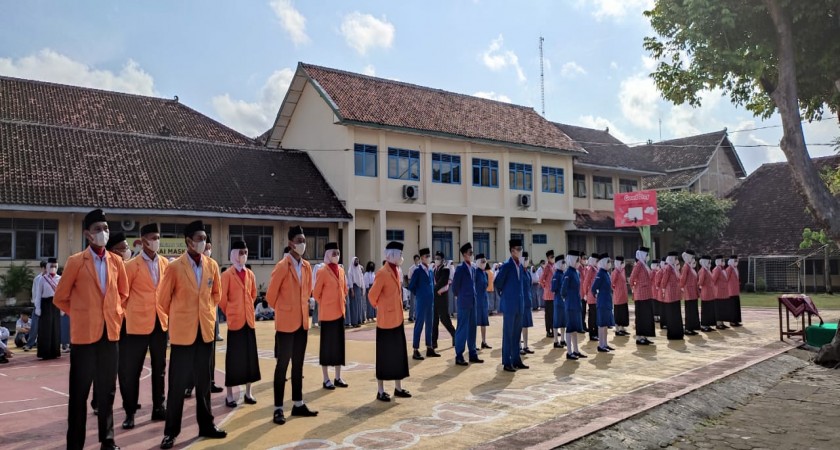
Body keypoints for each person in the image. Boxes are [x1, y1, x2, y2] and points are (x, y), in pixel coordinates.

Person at [54, 209, 128, 450]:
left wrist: (115, 313)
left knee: (107, 391)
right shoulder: (76, 261)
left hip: (110, 334)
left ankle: (108, 440)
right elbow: (60, 297)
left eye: (105, 229)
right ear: (87, 234)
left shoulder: (117, 262)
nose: (103, 233)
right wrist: (82, 314)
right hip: (84, 338)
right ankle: (75, 444)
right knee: (79, 394)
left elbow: (124, 293)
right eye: (97, 229)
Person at [157, 220, 227, 449]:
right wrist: (177, 321)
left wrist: (204, 314)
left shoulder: (212, 265)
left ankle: (206, 424)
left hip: (204, 332)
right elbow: (162, 300)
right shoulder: (175, 267)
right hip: (182, 335)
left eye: (205, 238)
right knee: (177, 386)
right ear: (188, 241)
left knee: (204, 383)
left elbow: (216, 295)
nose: (203, 242)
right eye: (199, 238)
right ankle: (171, 432)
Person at [119, 223, 169, 430]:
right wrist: (131, 314)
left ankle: (159, 407)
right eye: (152, 237)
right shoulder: (131, 265)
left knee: (159, 369)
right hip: (137, 325)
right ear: (142, 240)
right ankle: (130, 412)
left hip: (160, 323)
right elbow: (122, 296)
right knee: (133, 370)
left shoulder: (166, 263)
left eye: (158, 236)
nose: (156, 240)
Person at [267, 226, 318, 426]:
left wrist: (308, 303)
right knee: (282, 366)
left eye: (304, 240)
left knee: (298, 365)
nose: (302, 244)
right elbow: (271, 297)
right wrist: (286, 308)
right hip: (286, 324)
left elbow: (307, 291)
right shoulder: (282, 266)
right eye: (299, 240)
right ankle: (278, 408)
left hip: (302, 323)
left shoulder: (306, 266)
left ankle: (298, 403)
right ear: (290, 243)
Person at [367, 241, 412, 402]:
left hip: (398, 318)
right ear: (392, 254)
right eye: (399, 254)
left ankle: (398, 387)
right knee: (384, 356)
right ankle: (380, 390)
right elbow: (372, 296)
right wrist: (383, 307)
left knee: (398, 355)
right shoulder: (383, 272)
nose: (401, 257)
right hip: (386, 321)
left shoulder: (397, 270)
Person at [220, 240, 261, 407]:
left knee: (250, 358)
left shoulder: (250, 274)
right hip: (235, 321)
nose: (244, 255)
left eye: (245, 252)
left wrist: (246, 308)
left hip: (248, 321)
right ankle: (229, 394)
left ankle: (248, 392)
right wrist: (232, 311)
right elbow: (222, 300)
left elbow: (253, 294)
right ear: (235, 254)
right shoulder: (227, 275)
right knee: (234, 359)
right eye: (241, 252)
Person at [313, 242, 349, 390]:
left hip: (340, 312)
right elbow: (316, 293)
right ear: (327, 254)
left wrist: (341, 299)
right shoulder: (322, 271)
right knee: (327, 347)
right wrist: (326, 302)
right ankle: (326, 378)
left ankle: (338, 377)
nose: (336, 255)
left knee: (339, 346)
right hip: (327, 315)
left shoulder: (341, 271)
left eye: (338, 252)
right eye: (333, 253)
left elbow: (345, 289)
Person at [495, 239, 528, 372]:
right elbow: (498, 283)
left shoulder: (519, 265)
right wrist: (506, 295)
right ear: (512, 250)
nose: (520, 251)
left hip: (519, 304)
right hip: (510, 305)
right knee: (508, 334)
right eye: (518, 249)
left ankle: (516, 359)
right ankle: (507, 361)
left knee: (516, 334)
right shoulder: (507, 265)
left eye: (521, 249)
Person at [452, 243, 482, 366]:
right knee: (462, 328)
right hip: (464, 301)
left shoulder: (473, 268)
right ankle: (459, 355)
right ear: (464, 254)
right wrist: (461, 296)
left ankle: (473, 353)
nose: (472, 255)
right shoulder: (460, 268)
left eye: (472, 252)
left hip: (473, 301)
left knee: (472, 328)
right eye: (470, 253)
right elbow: (455, 286)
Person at [408, 248, 437, 359]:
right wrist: (419, 295)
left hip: (430, 301)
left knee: (430, 324)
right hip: (421, 301)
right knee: (419, 324)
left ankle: (429, 347)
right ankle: (416, 349)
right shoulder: (417, 271)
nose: (428, 258)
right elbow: (411, 286)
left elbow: (431, 285)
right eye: (426, 256)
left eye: (429, 256)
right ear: (421, 258)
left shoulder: (430, 270)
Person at [34, 257, 61, 360]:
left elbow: (62, 294)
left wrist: (63, 308)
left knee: (55, 328)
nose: (53, 268)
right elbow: (38, 294)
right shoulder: (42, 278)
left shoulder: (60, 278)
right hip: (45, 304)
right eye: (51, 266)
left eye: (55, 266)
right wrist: (38, 308)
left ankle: (54, 352)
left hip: (56, 304)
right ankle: (45, 352)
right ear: (47, 267)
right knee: (45, 329)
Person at [561, 251, 587, 360]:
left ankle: (576, 350)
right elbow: (563, 290)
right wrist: (567, 299)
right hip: (571, 304)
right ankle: (569, 352)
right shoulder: (568, 273)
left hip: (576, 303)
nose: (578, 262)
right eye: (576, 260)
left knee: (575, 329)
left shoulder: (575, 272)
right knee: (570, 328)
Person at [629, 246, 656, 346]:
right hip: (641, 295)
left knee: (647, 316)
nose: (648, 256)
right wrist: (635, 287)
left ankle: (645, 336)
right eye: (647, 254)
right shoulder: (639, 265)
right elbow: (632, 278)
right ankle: (639, 337)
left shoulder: (645, 265)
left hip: (647, 294)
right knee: (641, 317)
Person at [591, 253, 615, 352]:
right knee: (601, 325)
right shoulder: (600, 273)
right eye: (608, 261)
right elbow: (593, 288)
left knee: (605, 325)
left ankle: (605, 344)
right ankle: (601, 345)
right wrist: (598, 295)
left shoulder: (606, 273)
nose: (610, 263)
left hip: (608, 301)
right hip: (602, 302)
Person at [432, 252, 455, 349]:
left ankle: (454, 334)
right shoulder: (434, 270)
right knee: (434, 320)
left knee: (444, 319)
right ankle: (434, 342)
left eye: (438, 258)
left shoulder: (445, 269)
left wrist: (433, 289)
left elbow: (443, 282)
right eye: (435, 258)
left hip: (442, 298)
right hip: (435, 297)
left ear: (442, 260)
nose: (436, 260)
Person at [660, 251, 684, 340]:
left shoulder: (673, 268)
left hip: (676, 294)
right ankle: (673, 334)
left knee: (676, 314)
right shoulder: (668, 268)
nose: (676, 260)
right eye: (675, 258)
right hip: (670, 295)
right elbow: (664, 281)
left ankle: (678, 333)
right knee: (672, 315)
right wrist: (663, 290)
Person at [23, 260, 46, 351]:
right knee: (34, 325)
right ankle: (29, 344)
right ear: (42, 268)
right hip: (38, 304)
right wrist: (35, 303)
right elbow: (34, 292)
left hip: (49, 304)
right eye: (45, 267)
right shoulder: (37, 278)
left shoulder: (54, 278)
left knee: (51, 326)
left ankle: (63, 344)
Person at [680, 251, 701, 336]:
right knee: (689, 311)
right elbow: (683, 279)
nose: (693, 258)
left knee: (693, 310)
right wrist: (682, 287)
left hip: (693, 292)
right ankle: (688, 328)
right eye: (691, 257)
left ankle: (692, 327)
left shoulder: (690, 267)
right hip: (689, 292)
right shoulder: (686, 267)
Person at [475, 254, 491, 350]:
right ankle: (474, 344)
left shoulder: (485, 273)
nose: (484, 263)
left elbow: (487, 285)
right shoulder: (475, 272)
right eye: (482, 261)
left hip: (484, 299)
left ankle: (484, 341)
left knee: (483, 322)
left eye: (485, 261)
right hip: (477, 300)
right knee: (475, 322)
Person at [520, 252, 535, 355]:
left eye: (527, 259)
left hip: (527, 302)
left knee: (526, 325)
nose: (526, 261)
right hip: (521, 302)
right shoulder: (519, 271)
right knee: (519, 325)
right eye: (524, 259)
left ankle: (525, 345)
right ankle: (519, 346)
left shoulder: (527, 272)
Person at [550, 256, 567, 348]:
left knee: (563, 321)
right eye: (562, 263)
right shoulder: (556, 275)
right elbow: (553, 288)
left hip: (563, 301)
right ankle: (556, 341)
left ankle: (562, 340)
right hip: (558, 301)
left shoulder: (563, 274)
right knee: (557, 321)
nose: (564, 264)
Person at [611, 256, 630, 337]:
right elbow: (612, 283)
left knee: (623, 313)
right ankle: (617, 329)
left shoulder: (622, 271)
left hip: (624, 296)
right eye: (622, 263)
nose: (623, 264)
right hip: (618, 296)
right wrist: (617, 289)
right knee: (618, 313)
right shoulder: (615, 272)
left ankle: (622, 328)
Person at [583, 253, 599, 342]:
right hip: (591, 296)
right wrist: (585, 293)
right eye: (596, 261)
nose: (597, 262)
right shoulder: (590, 270)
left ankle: (596, 333)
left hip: (596, 296)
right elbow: (585, 282)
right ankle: (592, 334)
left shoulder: (595, 269)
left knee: (596, 316)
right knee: (592, 316)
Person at [540, 250, 556, 338]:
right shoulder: (547, 267)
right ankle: (548, 330)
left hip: (554, 294)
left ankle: (554, 329)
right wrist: (546, 287)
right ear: (548, 258)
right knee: (549, 314)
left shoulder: (554, 266)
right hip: (548, 295)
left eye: (553, 256)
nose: (553, 258)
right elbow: (541, 279)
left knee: (554, 313)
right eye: (551, 257)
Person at [697, 255, 716, 332]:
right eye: (708, 262)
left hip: (710, 292)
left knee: (710, 309)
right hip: (706, 292)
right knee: (705, 309)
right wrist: (701, 287)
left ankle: (708, 324)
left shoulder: (707, 270)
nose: (709, 263)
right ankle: (704, 325)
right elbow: (700, 281)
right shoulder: (703, 270)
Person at [711, 256, 730, 330]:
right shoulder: (717, 269)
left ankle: (721, 322)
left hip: (724, 292)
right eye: (722, 260)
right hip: (718, 292)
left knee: (723, 307)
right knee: (719, 307)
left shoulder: (723, 269)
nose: (723, 262)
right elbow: (713, 280)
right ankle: (718, 323)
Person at [346, 257, 365, 328]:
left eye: (358, 260)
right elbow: (350, 280)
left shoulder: (359, 269)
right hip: (354, 288)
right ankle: (354, 322)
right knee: (354, 306)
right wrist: (352, 290)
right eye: (355, 260)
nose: (357, 261)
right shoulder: (350, 270)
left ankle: (359, 320)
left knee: (359, 305)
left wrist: (362, 288)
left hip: (359, 288)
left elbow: (361, 279)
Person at [726, 255, 743, 327]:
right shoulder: (729, 269)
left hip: (736, 290)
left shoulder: (736, 268)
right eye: (735, 261)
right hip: (731, 291)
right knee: (732, 306)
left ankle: (736, 320)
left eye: (737, 261)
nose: (736, 262)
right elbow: (726, 279)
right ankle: (732, 321)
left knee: (736, 306)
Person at [407, 254, 421, 322]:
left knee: (418, 302)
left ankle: (416, 315)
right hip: (414, 286)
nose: (417, 261)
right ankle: (411, 316)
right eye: (416, 259)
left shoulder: (421, 267)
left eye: (418, 259)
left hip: (419, 286)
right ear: (414, 260)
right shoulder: (411, 268)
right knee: (412, 302)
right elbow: (409, 279)